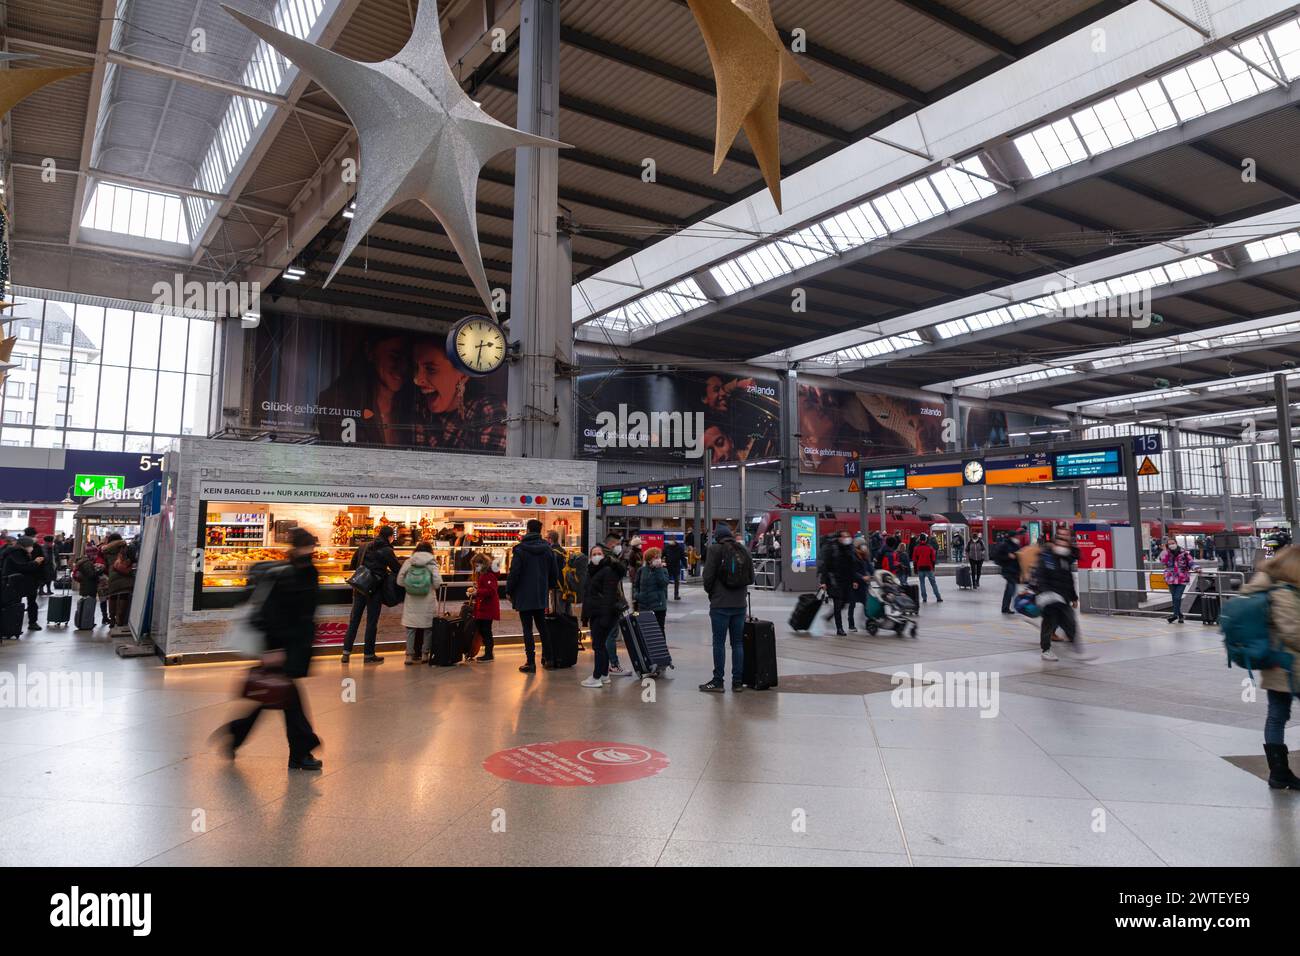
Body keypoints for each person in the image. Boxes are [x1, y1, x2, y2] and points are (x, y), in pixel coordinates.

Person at [217, 528, 324, 771]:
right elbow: (273, 614)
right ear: (299, 547)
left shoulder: (302, 572)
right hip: (285, 647)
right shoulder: (291, 574)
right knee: (287, 698)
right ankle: (301, 752)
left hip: (293, 646)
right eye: (309, 546)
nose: (313, 550)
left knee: (275, 695)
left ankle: (237, 732)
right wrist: (274, 648)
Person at [1239, 546, 1300, 789]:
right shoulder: (1284, 591)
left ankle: (1279, 773)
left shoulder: (1266, 585)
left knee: (1276, 715)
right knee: (1276, 716)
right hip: (1290, 666)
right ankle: (1279, 773)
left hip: (1276, 664)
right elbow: (1292, 632)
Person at [699, 525, 752, 693]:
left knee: (719, 643)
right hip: (739, 604)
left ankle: (718, 681)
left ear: (717, 537)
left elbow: (707, 577)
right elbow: (751, 577)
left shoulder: (714, 550)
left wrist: (712, 593)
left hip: (720, 604)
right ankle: (737, 682)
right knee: (737, 644)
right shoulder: (743, 550)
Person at [1031, 529, 1094, 662]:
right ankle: (1046, 650)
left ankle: (1078, 649)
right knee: (1048, 624)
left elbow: (1068, 579)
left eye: (1065, 541)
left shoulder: (1065, 558)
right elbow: (1040, 577)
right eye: (1060, 540)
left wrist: (1074, 597)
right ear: (1054, 542)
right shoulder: (1046, 557)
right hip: (1049, 599)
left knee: (1070, 622)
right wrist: (1046, 592)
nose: (1062, 543)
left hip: (1063, 597)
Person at [507, 518, 559, 672]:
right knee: (543, 627)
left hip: (523, 595)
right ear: (540, 531)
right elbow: (554, 573)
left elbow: (514, 573)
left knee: (527, 629)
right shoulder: (548, 549)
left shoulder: (520, 549)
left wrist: (509, 590)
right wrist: (548, 587)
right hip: (540, 594)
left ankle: (530, 662)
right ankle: (549, 659)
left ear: (528, 530)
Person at [342, 524, 400, 664]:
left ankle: (346, 653)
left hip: (359, 586)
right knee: (371, 622)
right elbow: (397, 568)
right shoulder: (386, 550)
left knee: (354, 620)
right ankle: (368, 655)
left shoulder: (364, 546)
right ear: (390, 537)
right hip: (375, 590)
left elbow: (354, 563)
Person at [580, 545, 624, 688]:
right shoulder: (592, 571)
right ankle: (604, 675)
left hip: (604, 614)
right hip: (597, 613)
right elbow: (588, 595)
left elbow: (609, 597)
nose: (596, 556)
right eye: (594, 553)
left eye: (599, 553)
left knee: (598, 646)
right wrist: (585, 616)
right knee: (601, 645)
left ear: (604, 556)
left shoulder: (608, 571)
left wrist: (605, 618)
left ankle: (597, 676)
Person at [397, 541, 443, 664]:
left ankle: (409, 656)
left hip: (411, 600)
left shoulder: (409, 562)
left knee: (411, 629)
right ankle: (424, 655)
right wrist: (428, 587)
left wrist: (410, 586)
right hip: (428, 600)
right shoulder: (432, 564)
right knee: (428, 629)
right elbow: (438, 583)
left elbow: (399, 581)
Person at [1, 536, 46, 631]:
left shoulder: (18, 552)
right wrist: (36, 562)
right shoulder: (16, 553)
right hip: (17, 583)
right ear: (25, 545)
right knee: (16, 604)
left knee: (25, 603)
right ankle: (12, 626)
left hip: (23, 583)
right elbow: (23, 567)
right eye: (30, 546)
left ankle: (15, 625)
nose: (32, 548)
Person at [818, 530, 857, 636]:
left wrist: (854, 580)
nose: (847, 538)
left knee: (845, 602)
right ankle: (839, 628)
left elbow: (852, 566)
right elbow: (826, 566)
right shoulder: (833, 549)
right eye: (845, 536)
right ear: (839, 538)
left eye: (848, 536)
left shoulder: (850, 548)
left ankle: (829, 616)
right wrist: (823, 582)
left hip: (846, 581)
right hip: (834, 581)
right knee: (838, 604)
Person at [470, 552, 500, 662]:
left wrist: (477, 592)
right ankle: (488, 652)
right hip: (483, 607)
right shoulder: (484, 574)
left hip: (487, 607)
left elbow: (491, 591)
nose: (475, 568)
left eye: (477, 565)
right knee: (483, 629)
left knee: (486, 630)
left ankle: (489, 653)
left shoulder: (488, 575)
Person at [101, 533, 133, 635]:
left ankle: (112, 619)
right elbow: (128, 557)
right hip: (123, 572)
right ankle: (120, 618)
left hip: (112, 574)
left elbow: (104, 564)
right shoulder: (123, 545)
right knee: (123, 595)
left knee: (113, 596)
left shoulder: (106, 550)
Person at [1158, 535, 1194, 624]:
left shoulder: (1184, 553)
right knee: (1174, 598)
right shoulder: (1166, 553)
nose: (1171, 545)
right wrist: (1164, 551)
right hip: (1170, 578)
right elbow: (1163, 562)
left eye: (1172, 543)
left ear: (1176, 543)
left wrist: (1197, 568)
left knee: (1177, 597)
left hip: (1182, 578)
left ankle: (1175, 615)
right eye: (1169, 544)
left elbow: (1191, 562)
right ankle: (1180, 616)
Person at [636, 546, 670, 637]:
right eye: (656, 557)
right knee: (645, 630)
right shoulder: (642, 570)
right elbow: (636, 585)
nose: (658, 559)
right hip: (644, 606)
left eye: (659, 557)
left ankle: (661, 650)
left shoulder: (663, 570)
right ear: (649, 559)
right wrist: (637, 596)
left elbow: (663, 583)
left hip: (658, 606)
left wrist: (658, 569)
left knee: (659, 630)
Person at [74, 545, 106, 630]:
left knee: (87, 605)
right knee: (88, 606)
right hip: (89, 587)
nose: (95, 555)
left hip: (86, 586)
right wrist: (100, 571)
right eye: (94, 553)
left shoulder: (84, 562)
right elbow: (91, 575)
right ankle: (86, 622)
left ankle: (86, 622)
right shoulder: (87, 563)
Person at [992, 532, 1022, 615]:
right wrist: (1008, 557)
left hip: (1015, 571)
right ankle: (1006, 608)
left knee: (1010, 590)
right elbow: (997, 558)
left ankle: (1006, 607)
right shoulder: (1004, 545)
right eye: (1015, 536)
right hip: (1008, 570)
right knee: (1010, 590)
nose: (1017, 538)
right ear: (1011, 537)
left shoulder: (1016, 546)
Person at [910, 533, 942, 604]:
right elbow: (933, 559)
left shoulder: (916, 548)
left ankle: (924, 598)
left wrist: (915, 569)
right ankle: (938, 597)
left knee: (922, 583)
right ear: (926, 539)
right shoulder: (930, 548)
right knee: (933, 583)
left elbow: (914, 560)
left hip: (920, 568)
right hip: (929, 567)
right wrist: (933, 567)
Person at [852, 538, 874, 629]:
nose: (864, 547)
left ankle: (869, 620)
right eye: (862, 545)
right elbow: (853, 571)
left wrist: (874, 574)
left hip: (864, 584)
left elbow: (870, 568)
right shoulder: (853, 557)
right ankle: (852, 624)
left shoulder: (865, 557)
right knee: (850, 604)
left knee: (866, 601)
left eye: (864, 545)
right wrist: (861, 577)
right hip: (856, 583)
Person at [546, 530, 567, 614]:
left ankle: (560, 624)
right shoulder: (562, 550)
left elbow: (551, 569)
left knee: (557, 607)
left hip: (556, 583)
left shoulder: (551, 551)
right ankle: (568, 624)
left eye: (547, 538)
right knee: (565, 605)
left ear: (550, 539)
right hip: (565, 583)